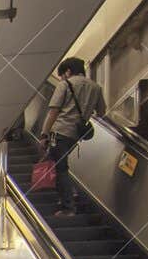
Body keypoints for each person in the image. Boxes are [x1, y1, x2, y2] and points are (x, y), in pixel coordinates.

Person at [38, 57, 103, 217]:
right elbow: (102, 111)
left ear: (67, 71)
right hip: (76, 135)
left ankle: (68, 207)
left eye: (61, 75)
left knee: (60, 168)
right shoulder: (96, 87)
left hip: (60, 132)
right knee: (59, 165)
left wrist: (44, 134)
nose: (61, 78)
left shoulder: (65, 85)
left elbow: (53, 111)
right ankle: (68, 194)